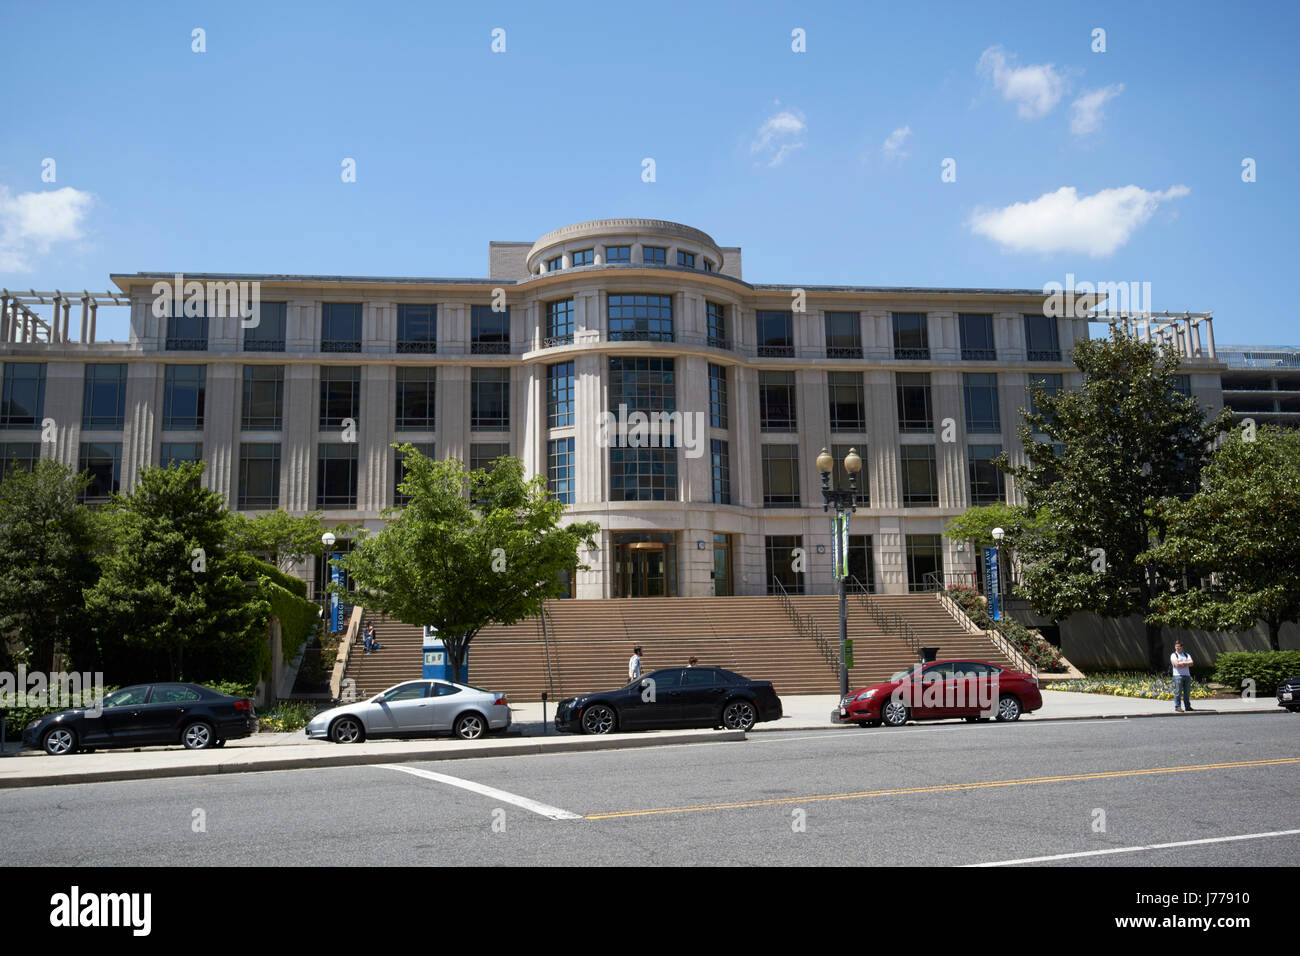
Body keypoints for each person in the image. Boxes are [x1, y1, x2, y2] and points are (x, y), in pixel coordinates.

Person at [1171, 640, 1194, 712]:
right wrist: (1186, 663)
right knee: (1178, 692)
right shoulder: (1174, 655)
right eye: (1176, 646)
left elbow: (1191, 663)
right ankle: (1178, 707)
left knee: (1187, 692)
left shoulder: (1187, 655)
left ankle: (1187, 706)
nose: (1177, 648)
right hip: (1178, 676)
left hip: (1187, 675)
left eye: (1179, 646)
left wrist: (1182, 663)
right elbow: (1177, 665)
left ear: (1182, 647)